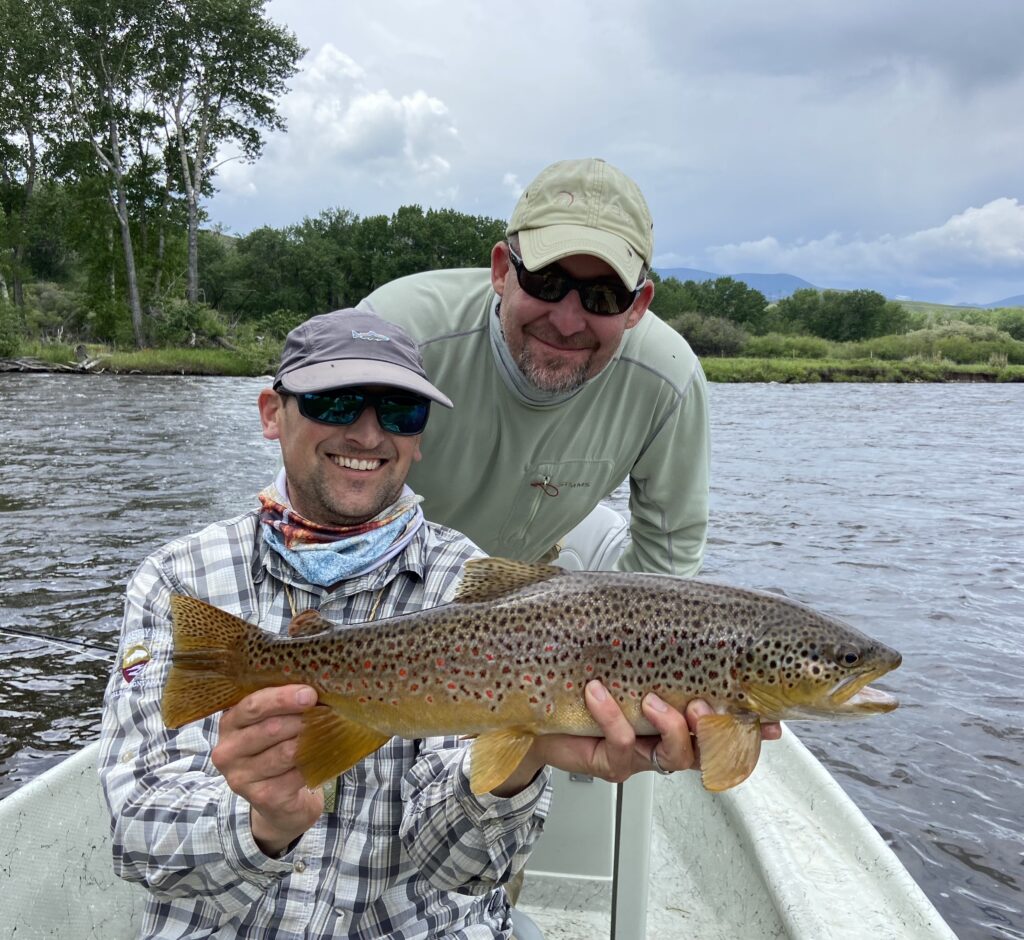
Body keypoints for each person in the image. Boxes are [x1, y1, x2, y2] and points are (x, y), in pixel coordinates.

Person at [97, 308, 714, 940]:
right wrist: (260, 824)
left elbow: (462, 871)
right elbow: (135, 836)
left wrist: (524, 753)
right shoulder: (178, 579)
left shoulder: (477, 593)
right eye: (335, 404)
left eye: (400, 412)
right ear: (271, 414)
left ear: (420, 439)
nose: (368, 434)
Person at [358, 156, 709, 576]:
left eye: (605, 296)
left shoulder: (669, 380)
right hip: (375, 581)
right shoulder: (396, 334)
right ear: (502, 270)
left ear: (637, 307)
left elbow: (666, 565)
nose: (566, 321)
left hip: (520, 606)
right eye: (547, 282)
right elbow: (307, 507)